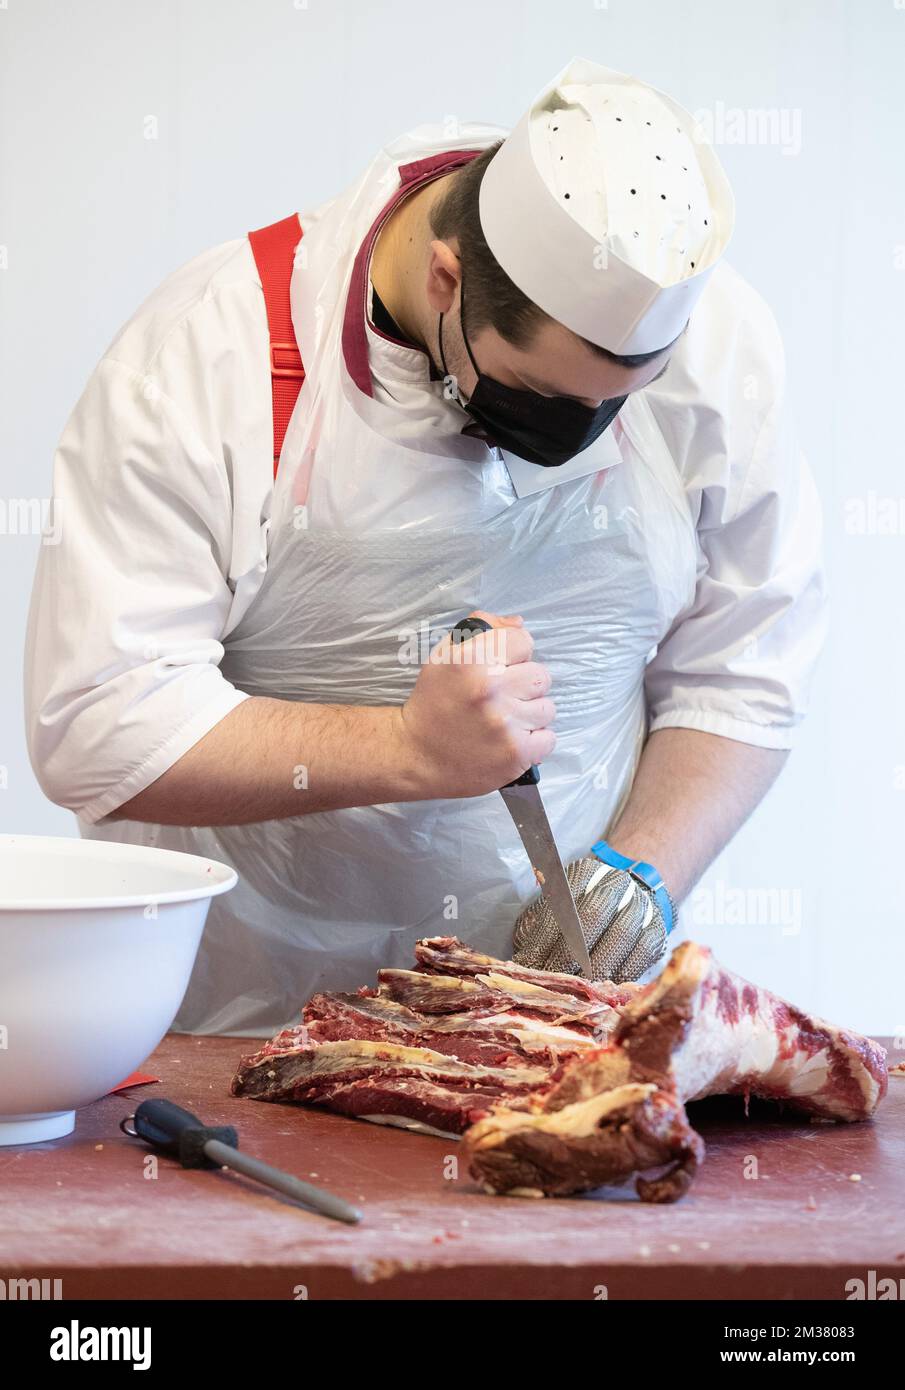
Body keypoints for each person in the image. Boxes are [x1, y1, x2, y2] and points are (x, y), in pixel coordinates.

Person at [25, 59, 825, 1035]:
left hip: (553, 1027)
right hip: (243, 1030)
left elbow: (742, 665)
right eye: (544, 397)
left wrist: (644, 869)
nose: (584, 432)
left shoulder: (716, 348)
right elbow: (100, 729)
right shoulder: (208, 354)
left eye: (617, 400)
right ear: (445, 277)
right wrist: (405, 751)